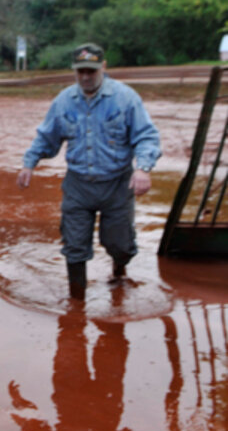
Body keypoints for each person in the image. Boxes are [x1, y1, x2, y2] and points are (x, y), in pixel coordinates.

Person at [16, 43, 161, 300]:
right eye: (80, 71)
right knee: (74, 247)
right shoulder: (64, 101)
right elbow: (46, 137)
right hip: (78, 185)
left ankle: (119, 270)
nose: (85, 77)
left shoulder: (125, 98)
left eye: (91, 71)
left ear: (103, 67)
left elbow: (146, 136)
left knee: (120, 244)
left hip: (117, 184)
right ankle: (76, 304)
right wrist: (29, 163)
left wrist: (143, 169)